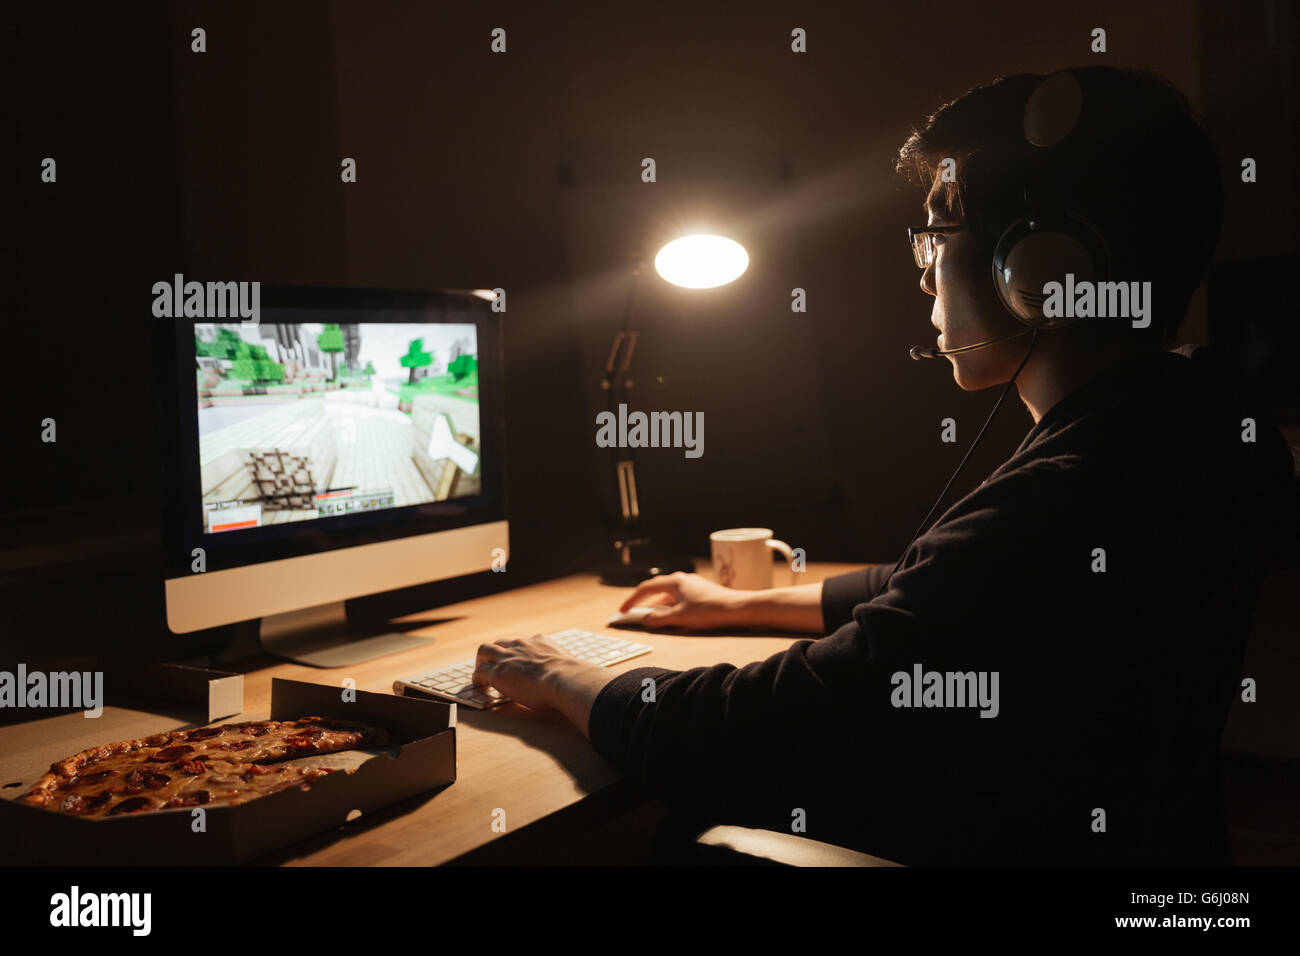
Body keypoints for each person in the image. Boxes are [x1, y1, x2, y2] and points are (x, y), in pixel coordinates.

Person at [470, 67, 1294, 864]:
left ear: (1040, 272)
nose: (925, 266)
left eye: (939, 228)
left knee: (678, 837)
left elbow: (754, 730)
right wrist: (736, 603)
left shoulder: (1063, 497)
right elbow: (940, 590)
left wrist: (562, 675)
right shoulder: (1192, 422)